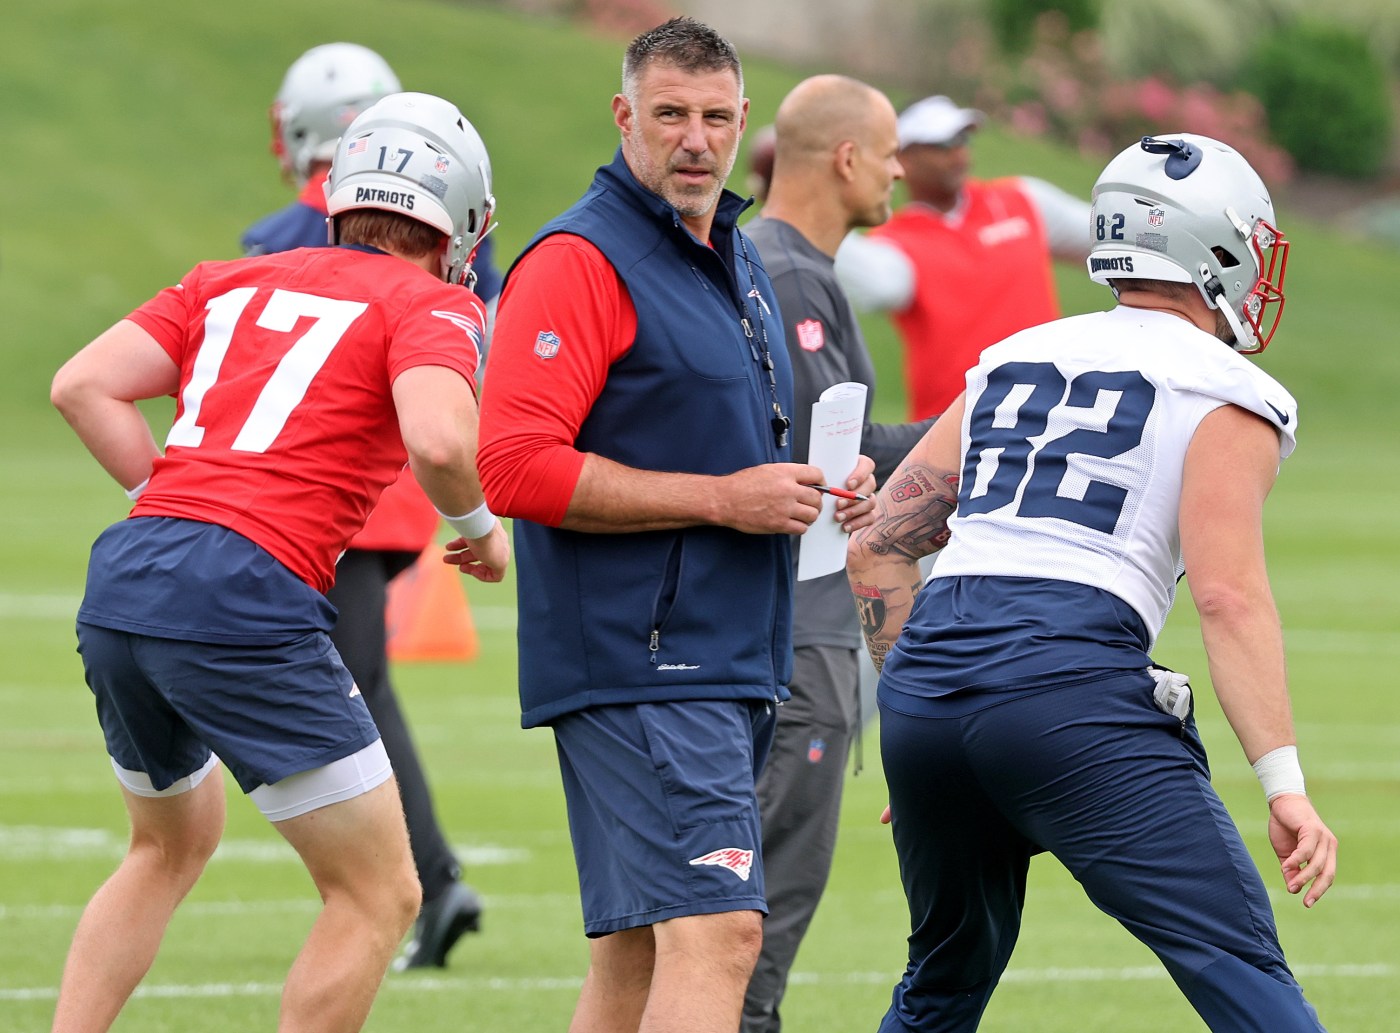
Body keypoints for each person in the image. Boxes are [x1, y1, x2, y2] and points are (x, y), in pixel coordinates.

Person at [846, 133, 1337, 1032]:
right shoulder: (1224, 385)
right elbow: (1228, 596)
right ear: (1213, 247)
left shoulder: (1012, 354)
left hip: (927, 696)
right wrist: (1285, 783)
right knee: (1238, 965)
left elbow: (876, 546)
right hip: (1065, 683)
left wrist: (931, 712)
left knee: (943, 983)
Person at [49, 92, 508, 1033]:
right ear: (461, 218)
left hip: (130, 575)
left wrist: (168, 500)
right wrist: (482, 528)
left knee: (167, 847)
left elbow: (81, 385)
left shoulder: (229, 278)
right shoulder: (434, 302)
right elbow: (437, 438)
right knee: (378, 891)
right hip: (246, 591)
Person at [475, 18, 875, 1033]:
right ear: (623, 118)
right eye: (668, 115)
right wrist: (722, 500)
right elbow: (515, 464)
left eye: (713, 117)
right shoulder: (577, 258)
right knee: (720, 935)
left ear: (745, 124)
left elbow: (729, 441)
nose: (693, 139)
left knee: (636, 953)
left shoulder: (730, 253)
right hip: (642, 661)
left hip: (731, 652)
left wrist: (830, 483)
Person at [243, 41, 504, 970]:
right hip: (403, 485)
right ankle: (427, 881)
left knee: (343, 686)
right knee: (362, 679)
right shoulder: (447, 224)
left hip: (328, 489)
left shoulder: (292, 232)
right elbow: (482, 315)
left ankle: (417, 883)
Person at [739, 75, 933, 1033]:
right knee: (751, 930)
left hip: (782, 628)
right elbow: (821, 470)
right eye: (890, 149)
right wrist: (964, 438)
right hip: (794, 629)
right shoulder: (791, 275)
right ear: (847, 158)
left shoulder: (773, 260)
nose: (902, 168)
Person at [834, 94, 1091, 421]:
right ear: (904, 159)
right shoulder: (894, 242)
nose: (958, 152)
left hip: (1052, 413)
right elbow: (882, 288)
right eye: (942, 144)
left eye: (962, 139)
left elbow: (1108, 235)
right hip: (956, 434)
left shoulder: (1021, 199)